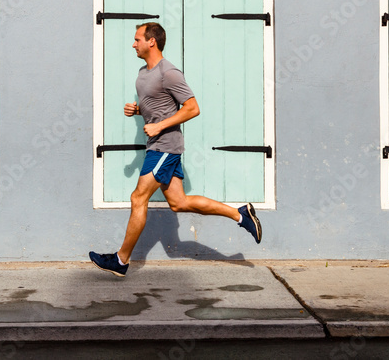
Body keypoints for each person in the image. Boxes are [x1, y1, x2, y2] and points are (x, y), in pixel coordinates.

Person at [89, 22, 261, 277]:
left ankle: (121, 260)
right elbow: (160, 106)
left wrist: (159, 127)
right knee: (179, 203)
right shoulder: (143, 72)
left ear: (152, 41)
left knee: (138, 198)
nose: (133, 44)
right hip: (158, 147)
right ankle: (240, 214)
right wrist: (137, 110)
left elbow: (192, 108)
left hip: (165, 147)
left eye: (137, 39)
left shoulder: (168, 72)